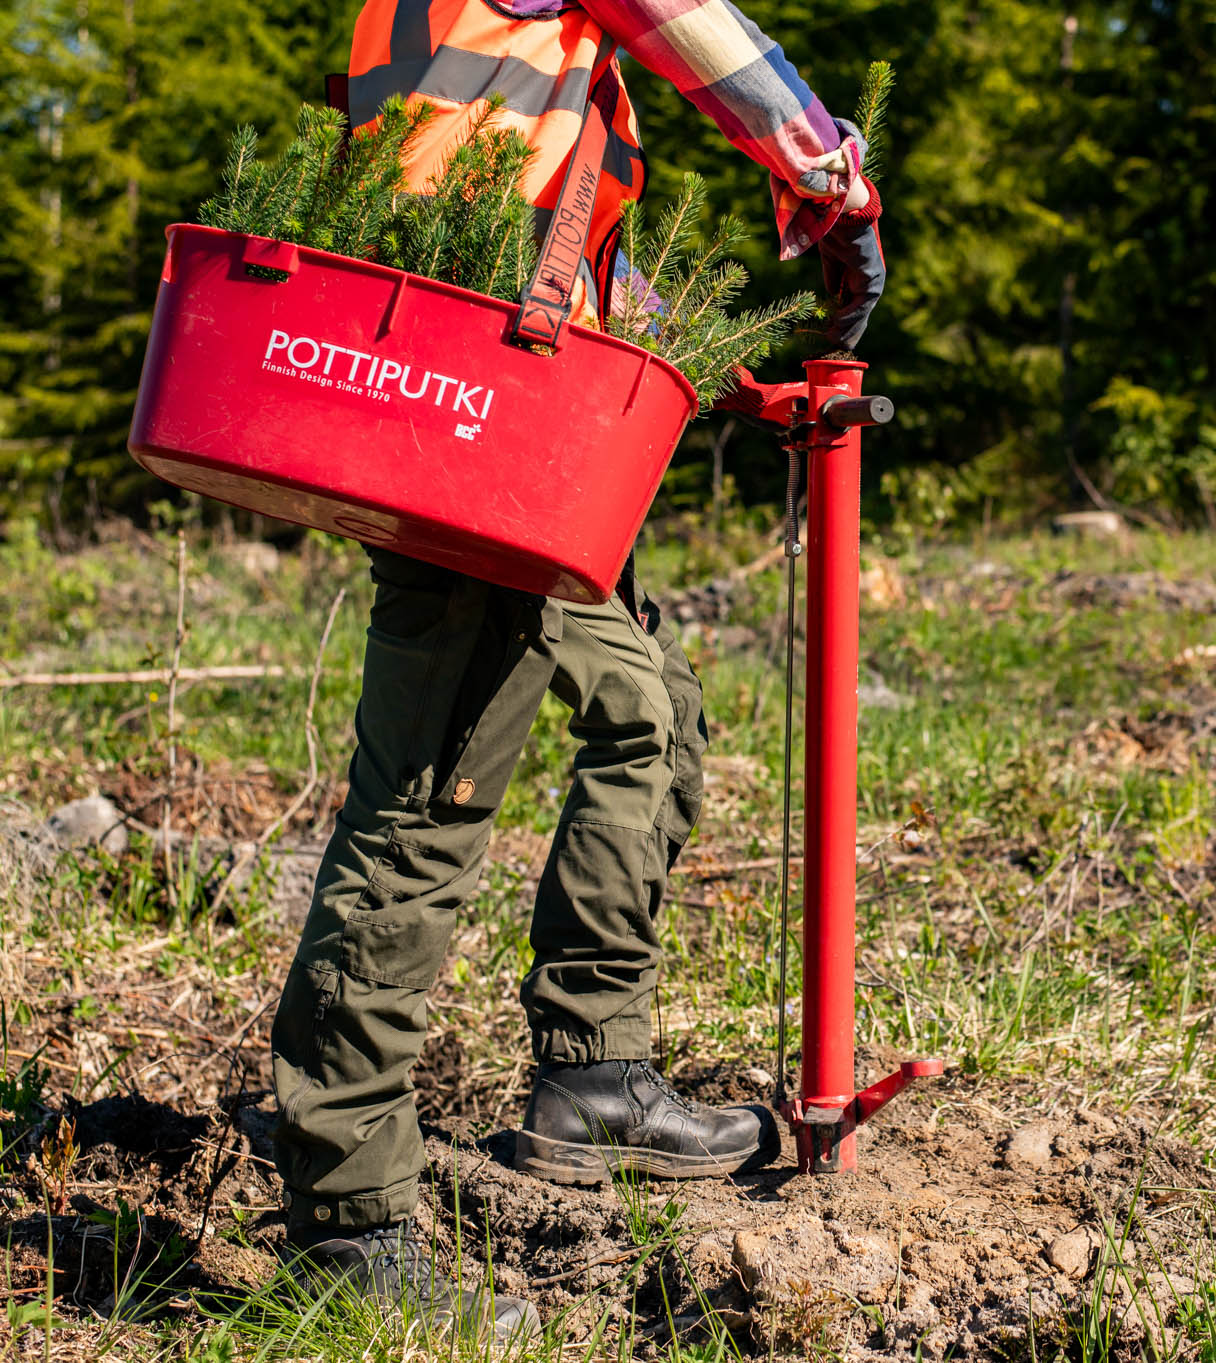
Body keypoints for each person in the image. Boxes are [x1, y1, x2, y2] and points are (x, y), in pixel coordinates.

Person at [269, 0, 884, 1337]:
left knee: (647, 709)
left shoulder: (489, 33)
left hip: (512, 400)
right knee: (421, 813)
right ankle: (346, 1227)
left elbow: (523, 204)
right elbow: (678, 20)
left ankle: (591, 1078)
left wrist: (697, 363)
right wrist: (830, 175)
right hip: (461, 412)